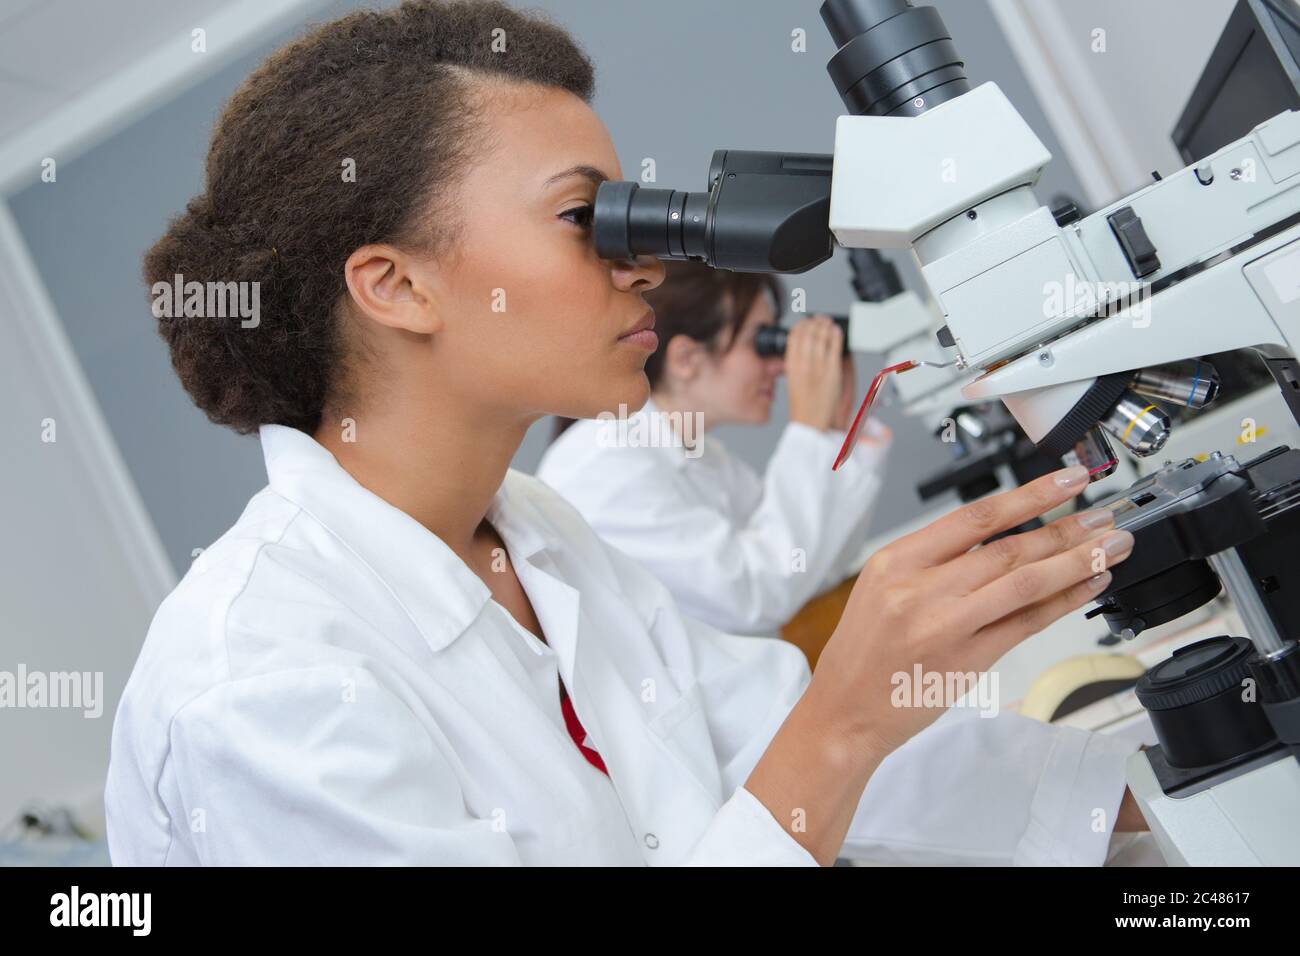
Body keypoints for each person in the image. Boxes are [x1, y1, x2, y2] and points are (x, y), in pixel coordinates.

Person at [105, 0, 1142, 867]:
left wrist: (1151, 807)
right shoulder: (261, 680)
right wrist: (850, 716)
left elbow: (759, 732)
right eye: (582, 218)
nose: (643, 264)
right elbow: (820, 742)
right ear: (398, 284)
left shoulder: (537, 530)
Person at [539, 261, 892, 636]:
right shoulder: (605, 465)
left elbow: (814, 568)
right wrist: (807, 433)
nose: (780, 366)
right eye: (762, 343)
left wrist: (835, 434)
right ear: (686, 360)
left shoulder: (702, 456)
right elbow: (756, 596)